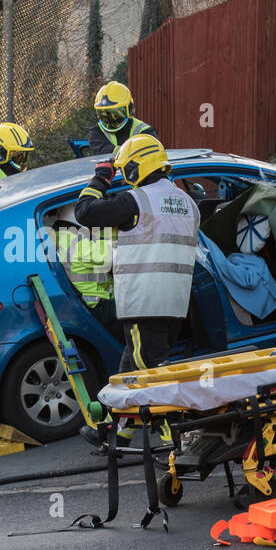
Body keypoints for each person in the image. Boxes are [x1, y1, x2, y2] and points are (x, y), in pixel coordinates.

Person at [75, 133, 199, 448]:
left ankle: (177, 441)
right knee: (131, 369)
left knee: (149, 376)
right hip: (174, 303)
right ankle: (119, 435)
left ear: (134, 168)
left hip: (144, 302)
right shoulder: (187, 203)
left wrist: (101, 177)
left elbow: (85, 212)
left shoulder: (136, 201)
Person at [85, 81, 157, 156]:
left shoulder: (146, 131)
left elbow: (150, 154)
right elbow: (103, 152)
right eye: (104, 115)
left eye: (115, 114)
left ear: (129, 110)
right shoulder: (97, 133)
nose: (110, 120)